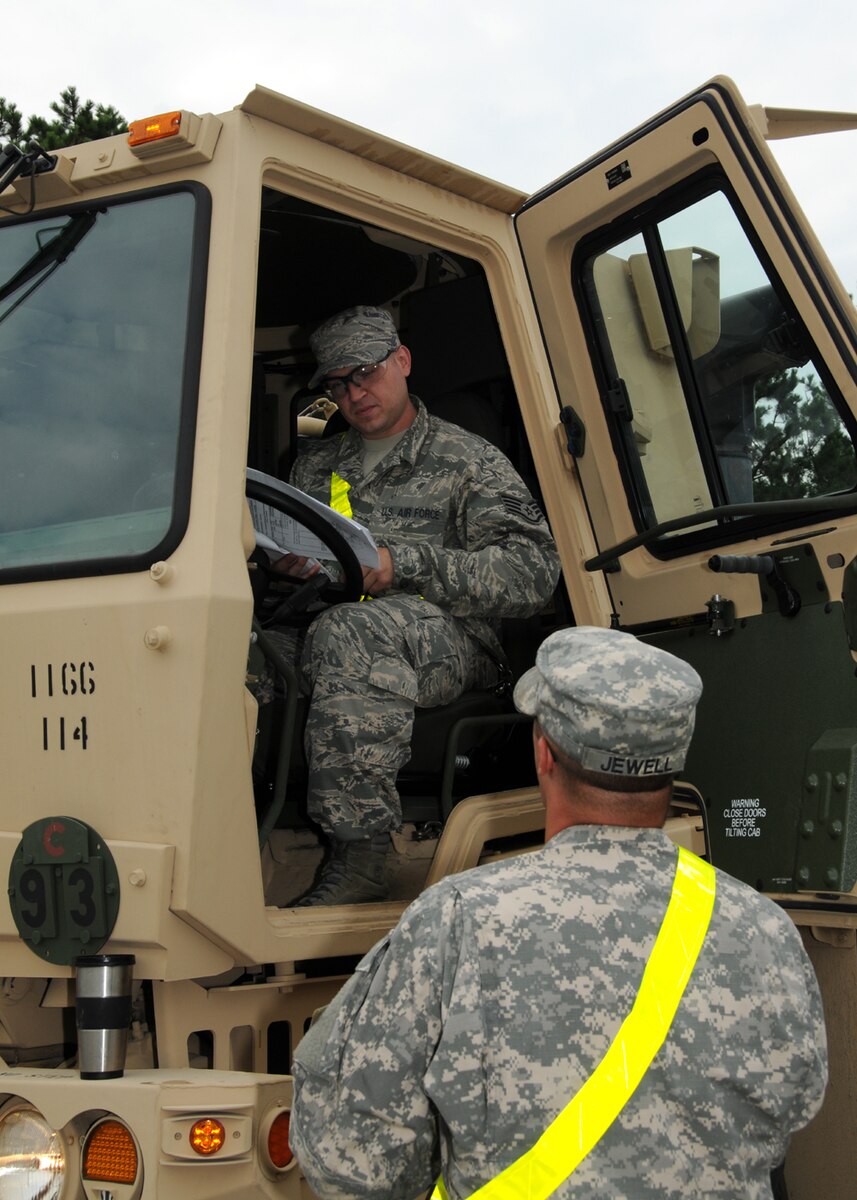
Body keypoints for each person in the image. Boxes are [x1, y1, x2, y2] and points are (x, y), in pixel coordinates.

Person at [289, 626, 828, 1197]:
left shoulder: (456, 920)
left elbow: (351, 1161)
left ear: (543, 752)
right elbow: (793, 1107)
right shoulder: (764, 928)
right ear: (672, 760)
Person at [272, 304, 560, 905]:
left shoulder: (469, 461)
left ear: (401, 361)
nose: (355, 393)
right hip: (324, 622)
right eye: (338, 383)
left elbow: (533, 576)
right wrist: (284, 563)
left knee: (353, 632)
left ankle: (363, 855)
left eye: (366, 373)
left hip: (453, 637)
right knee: (224, 650)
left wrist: (404, 564)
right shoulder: (316, 465)